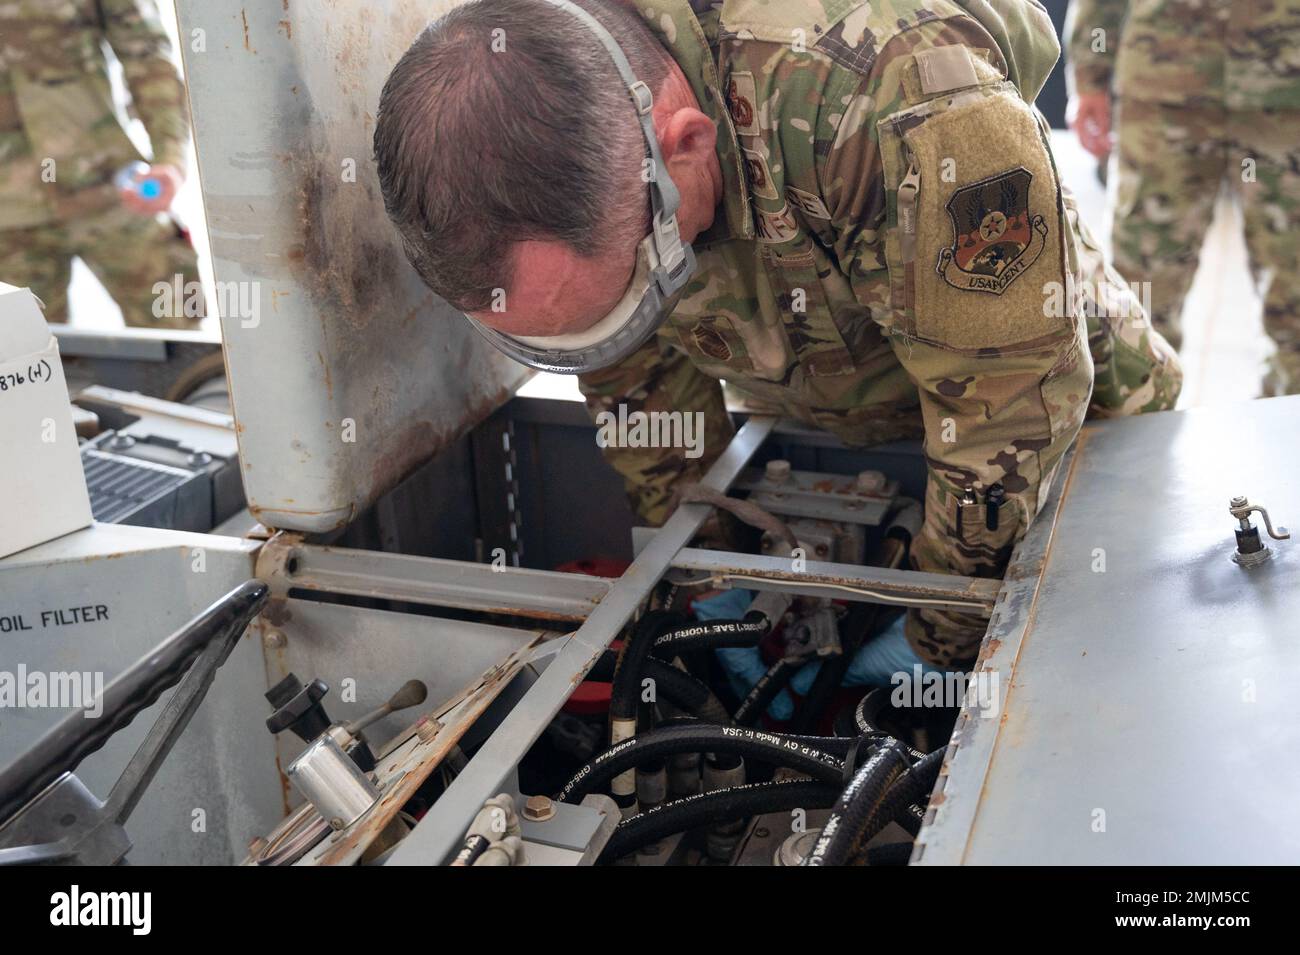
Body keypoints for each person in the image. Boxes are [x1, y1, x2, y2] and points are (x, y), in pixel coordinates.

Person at [375, 0, 1180, 673]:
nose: (617, 329)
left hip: (1057, 426)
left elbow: (1007, 405)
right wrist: (704, 575)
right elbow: (635, 368)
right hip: (818, 380)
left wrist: (941, 636)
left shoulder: (902, 99)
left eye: (636, 289)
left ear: (684, 143)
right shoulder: (547, 89)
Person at [1066, 0, 1300, 395]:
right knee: (1139, 293)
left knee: (1294, 295)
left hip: (1284, 92)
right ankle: (1131, 432)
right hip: (1166, 86)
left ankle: (1290, 438)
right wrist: (1090, 70)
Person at [0, 0, 202, 329]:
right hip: (8, 222)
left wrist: (171, 159)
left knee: (177, 341)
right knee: (25, 365)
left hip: (113, 191)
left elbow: (147, 53)